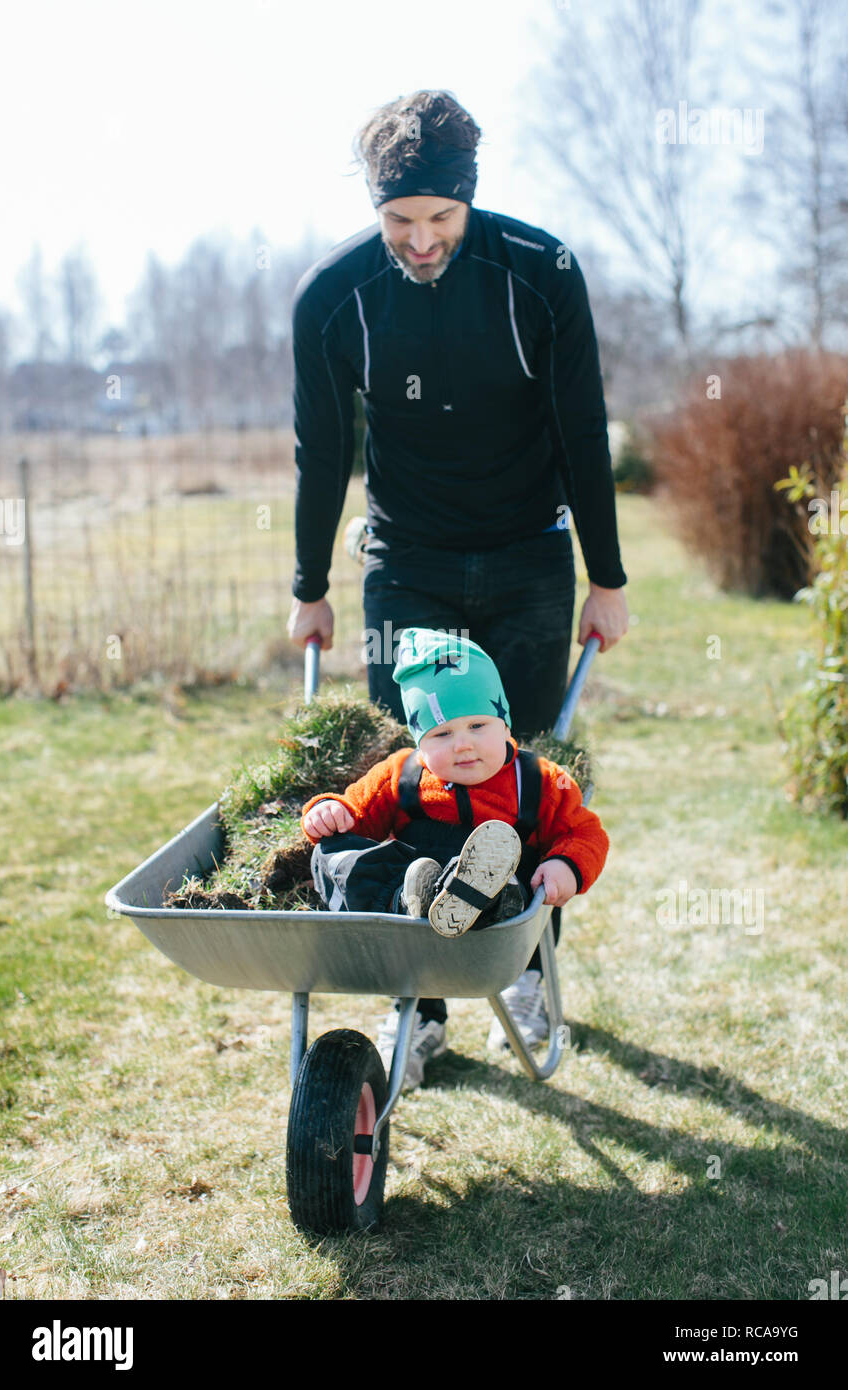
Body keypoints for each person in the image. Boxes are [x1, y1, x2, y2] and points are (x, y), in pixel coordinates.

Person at [287, 89, 627, 1052]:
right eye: (399, 220)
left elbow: (584, 429)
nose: (421, 240)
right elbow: (323, 453)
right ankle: (421, 1009)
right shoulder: (335, 297)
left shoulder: (538, 271)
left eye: (440, 218)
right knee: (410, 775)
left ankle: (522, 975)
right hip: (408, 562)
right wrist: (309, 588)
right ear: (374, 206)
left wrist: (607, 577)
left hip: (527, 556)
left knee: (515, 778)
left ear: (469, 202)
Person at [300, 629, 609, 1088]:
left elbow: (584, 831)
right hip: (408, 913)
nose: (462, 744)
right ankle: (419, 999)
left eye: (477, 726)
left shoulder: (539, 779)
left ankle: (520, 979)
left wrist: (566, 864)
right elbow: (356, 812)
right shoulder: (401, 772)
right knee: (334, 853)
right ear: (420, 742)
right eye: (442, 733)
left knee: (514, 875)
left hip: (498, 914)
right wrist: (329, 811)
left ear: (506, 724)